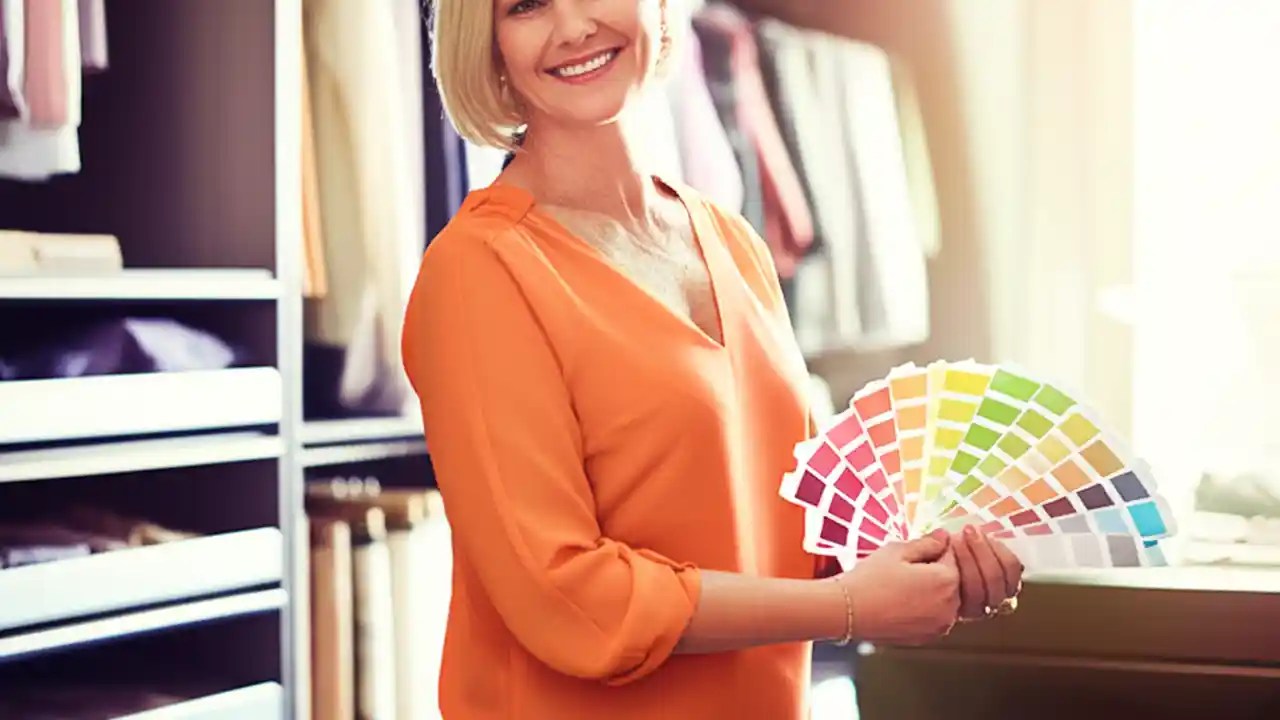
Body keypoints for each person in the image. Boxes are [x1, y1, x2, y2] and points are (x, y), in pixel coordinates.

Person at [400, 0, 1023, 717]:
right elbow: (566, 598)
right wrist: (846, 607)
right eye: (526, 5)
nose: (573, 26)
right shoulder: (480, 273)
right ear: (490, 46)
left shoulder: (729, 240)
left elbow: (782, 529)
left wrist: (921, 562)